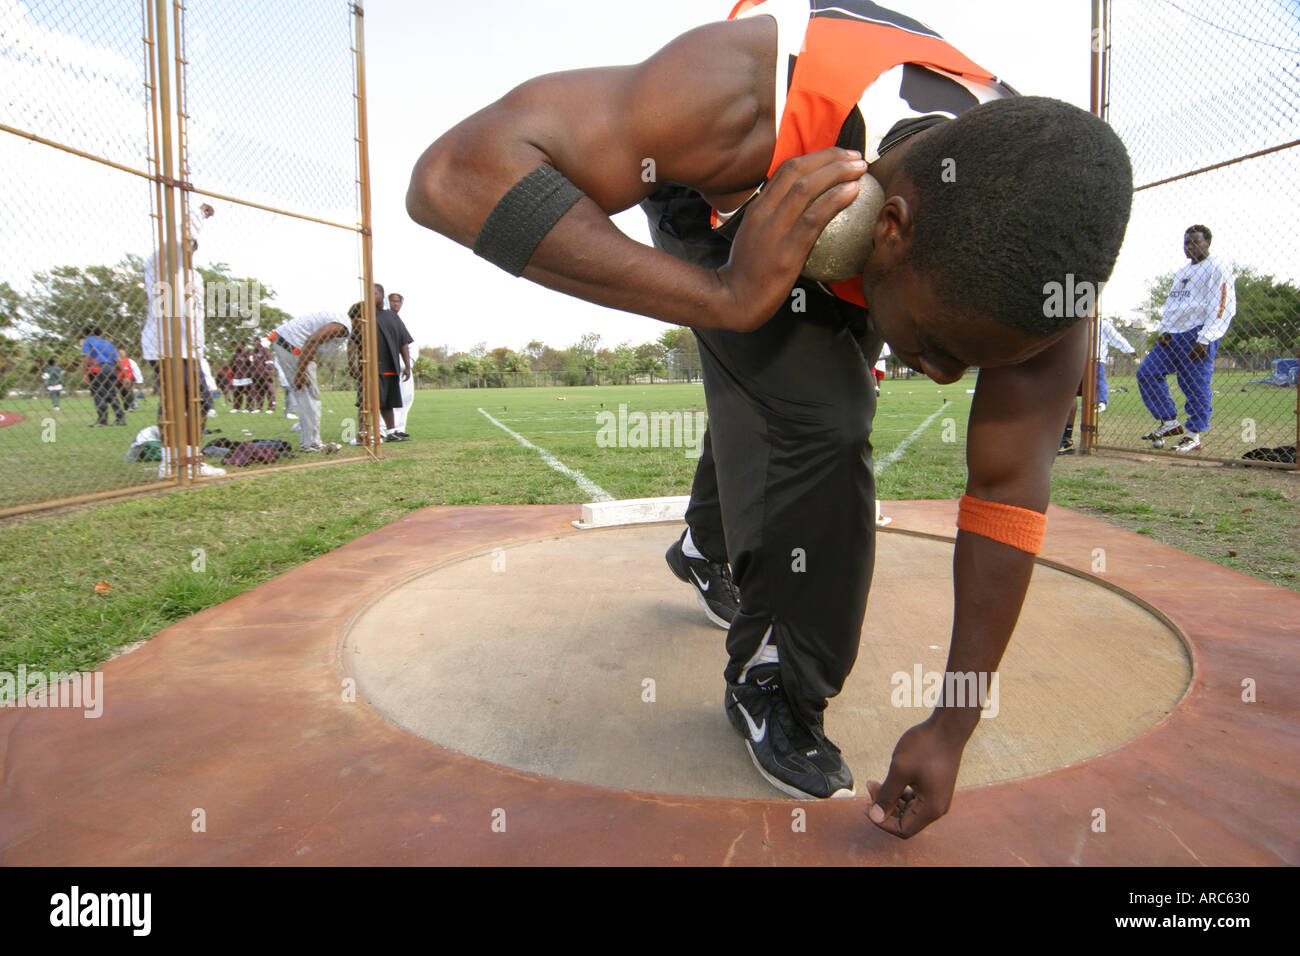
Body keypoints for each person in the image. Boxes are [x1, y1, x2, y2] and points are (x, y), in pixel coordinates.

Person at [406, 0, 1132, 837]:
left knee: (791, 381)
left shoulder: (1045, 272)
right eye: (937, 347)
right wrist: (725, 294)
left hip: (891, 230)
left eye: (972, 362)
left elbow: (1007, 492)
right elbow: (454, 177)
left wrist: (951, 726)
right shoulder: (746, 97)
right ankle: (778, 679)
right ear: (887, 228)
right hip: (730, 200)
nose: (941, 379)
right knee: (822, 414)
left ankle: (707, 541)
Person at [1137, 224, 1236, 452]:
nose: (1190, 247)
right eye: (1186, 243)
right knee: (1147, 373)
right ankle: (1169, 421)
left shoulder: (1217, 266)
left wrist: (1205, 338)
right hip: (1172, 335)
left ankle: (1194, 434)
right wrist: (1164, 329)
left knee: (1194, 383)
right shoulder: (1183, 271)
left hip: (1196, 333)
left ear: (1207, 243)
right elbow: (1173, 303)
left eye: (1195, 242)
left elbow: (1223, 305)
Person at [142, 202, 224, 475]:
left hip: (191, 351)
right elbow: (179, 237)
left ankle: (191, 459)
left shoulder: (195, 276)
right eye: (186, 244)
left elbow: (196, 319)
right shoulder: (159, 265)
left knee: (200, 400)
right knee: (171, 402)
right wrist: (199, 215)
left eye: (193, 246)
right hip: (164, 347)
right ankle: (169, 461)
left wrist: (200, 354)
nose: (189, 249)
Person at [268, 311, 353, 453]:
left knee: (305, 394)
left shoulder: (339, 320)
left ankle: (308, 439)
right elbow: (313, 340)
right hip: (293, 347)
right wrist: (301, 372)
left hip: (287, 344)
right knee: (308, 394)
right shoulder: (343, 325)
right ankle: (311, 443)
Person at [1058, 317, 1135, 455]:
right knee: (1070, 392)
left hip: (1096, 359)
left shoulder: (1102, 324)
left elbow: (1116, 338)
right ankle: (1064, 438)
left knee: (1098, 382)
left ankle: (1101, 402)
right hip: (1076, 359)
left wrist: (1129, 349)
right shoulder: (1073, 322)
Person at [80, 324, 126, 427]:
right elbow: (117, 360)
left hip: (97, 369)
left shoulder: (87, 342)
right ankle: (120, 418)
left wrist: (84, 373)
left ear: (86, 333)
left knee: (98, 394)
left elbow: (86, 358)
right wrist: (124, 373)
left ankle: (102, 420)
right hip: (111, 369)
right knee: (112, 394)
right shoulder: (107, 343)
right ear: (100, 333)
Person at [387, 292, 416, 437]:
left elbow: (411, 344)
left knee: (406, 397)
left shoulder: (403, 321)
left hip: (404, 366)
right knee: (388, 399)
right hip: (388, 366)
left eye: (398, 302)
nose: (395, 304)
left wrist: (408, 364)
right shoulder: (383, 319)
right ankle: (385, 430)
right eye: (392, 301)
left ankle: (400, 428)